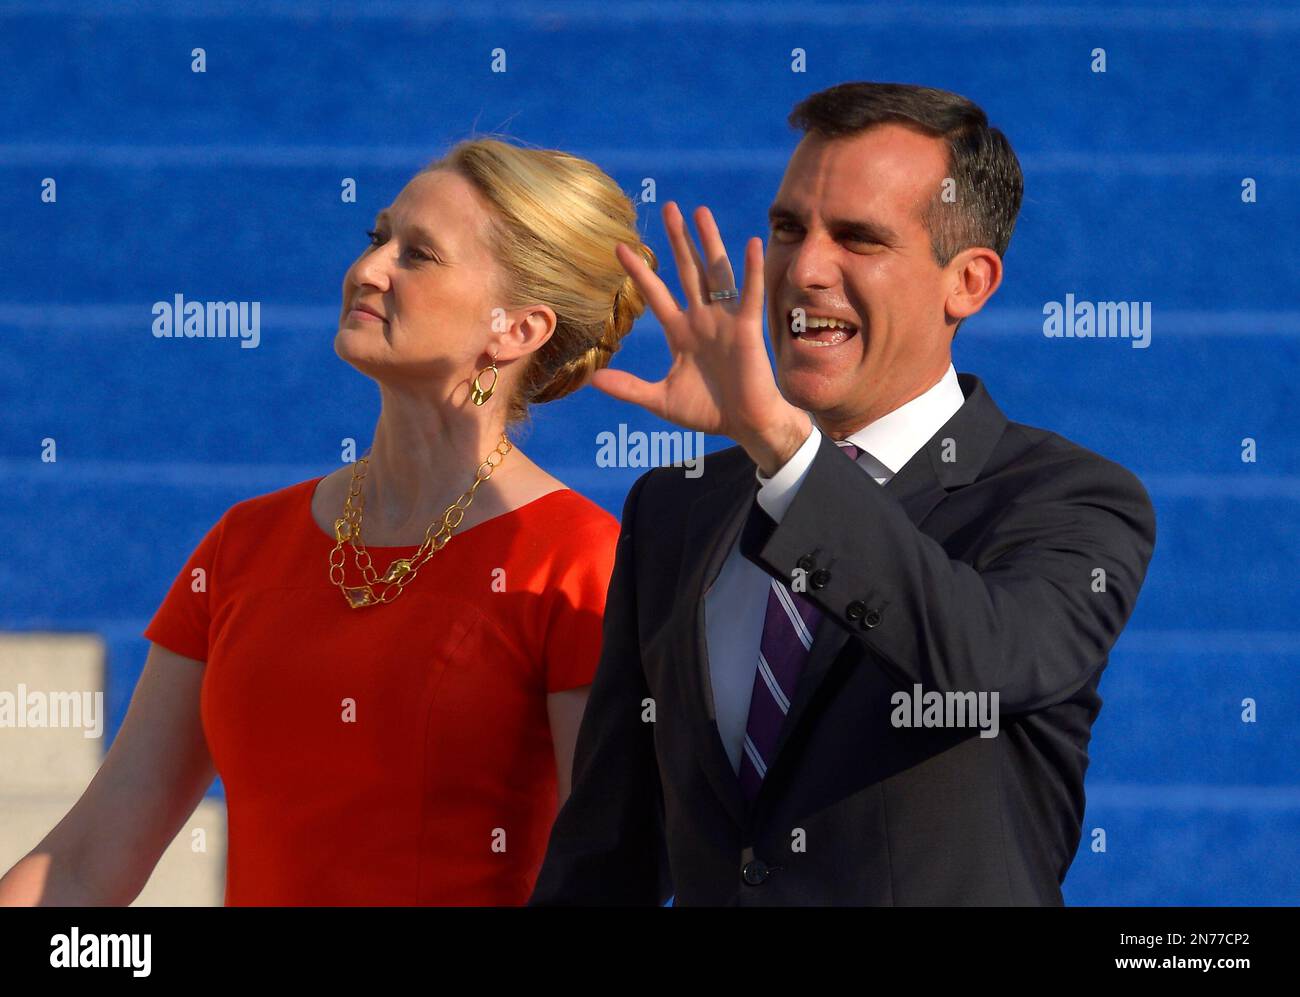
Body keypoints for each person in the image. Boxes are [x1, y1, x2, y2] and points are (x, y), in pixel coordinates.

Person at [529, 82, 1158, 905]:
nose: (805, 268)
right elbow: (605, 853)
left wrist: (785, 450)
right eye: (789, 228)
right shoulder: (675, 510)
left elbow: (978, 660)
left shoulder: (1072, 499)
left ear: (967, 282)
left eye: (858, 238)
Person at [0, 137, 656, 906]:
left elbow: (606, 886)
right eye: (378, 237)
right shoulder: (245, 544)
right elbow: (85, 862)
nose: (368, 269)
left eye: (419, 255)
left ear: (517, 329)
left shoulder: (579, 562)